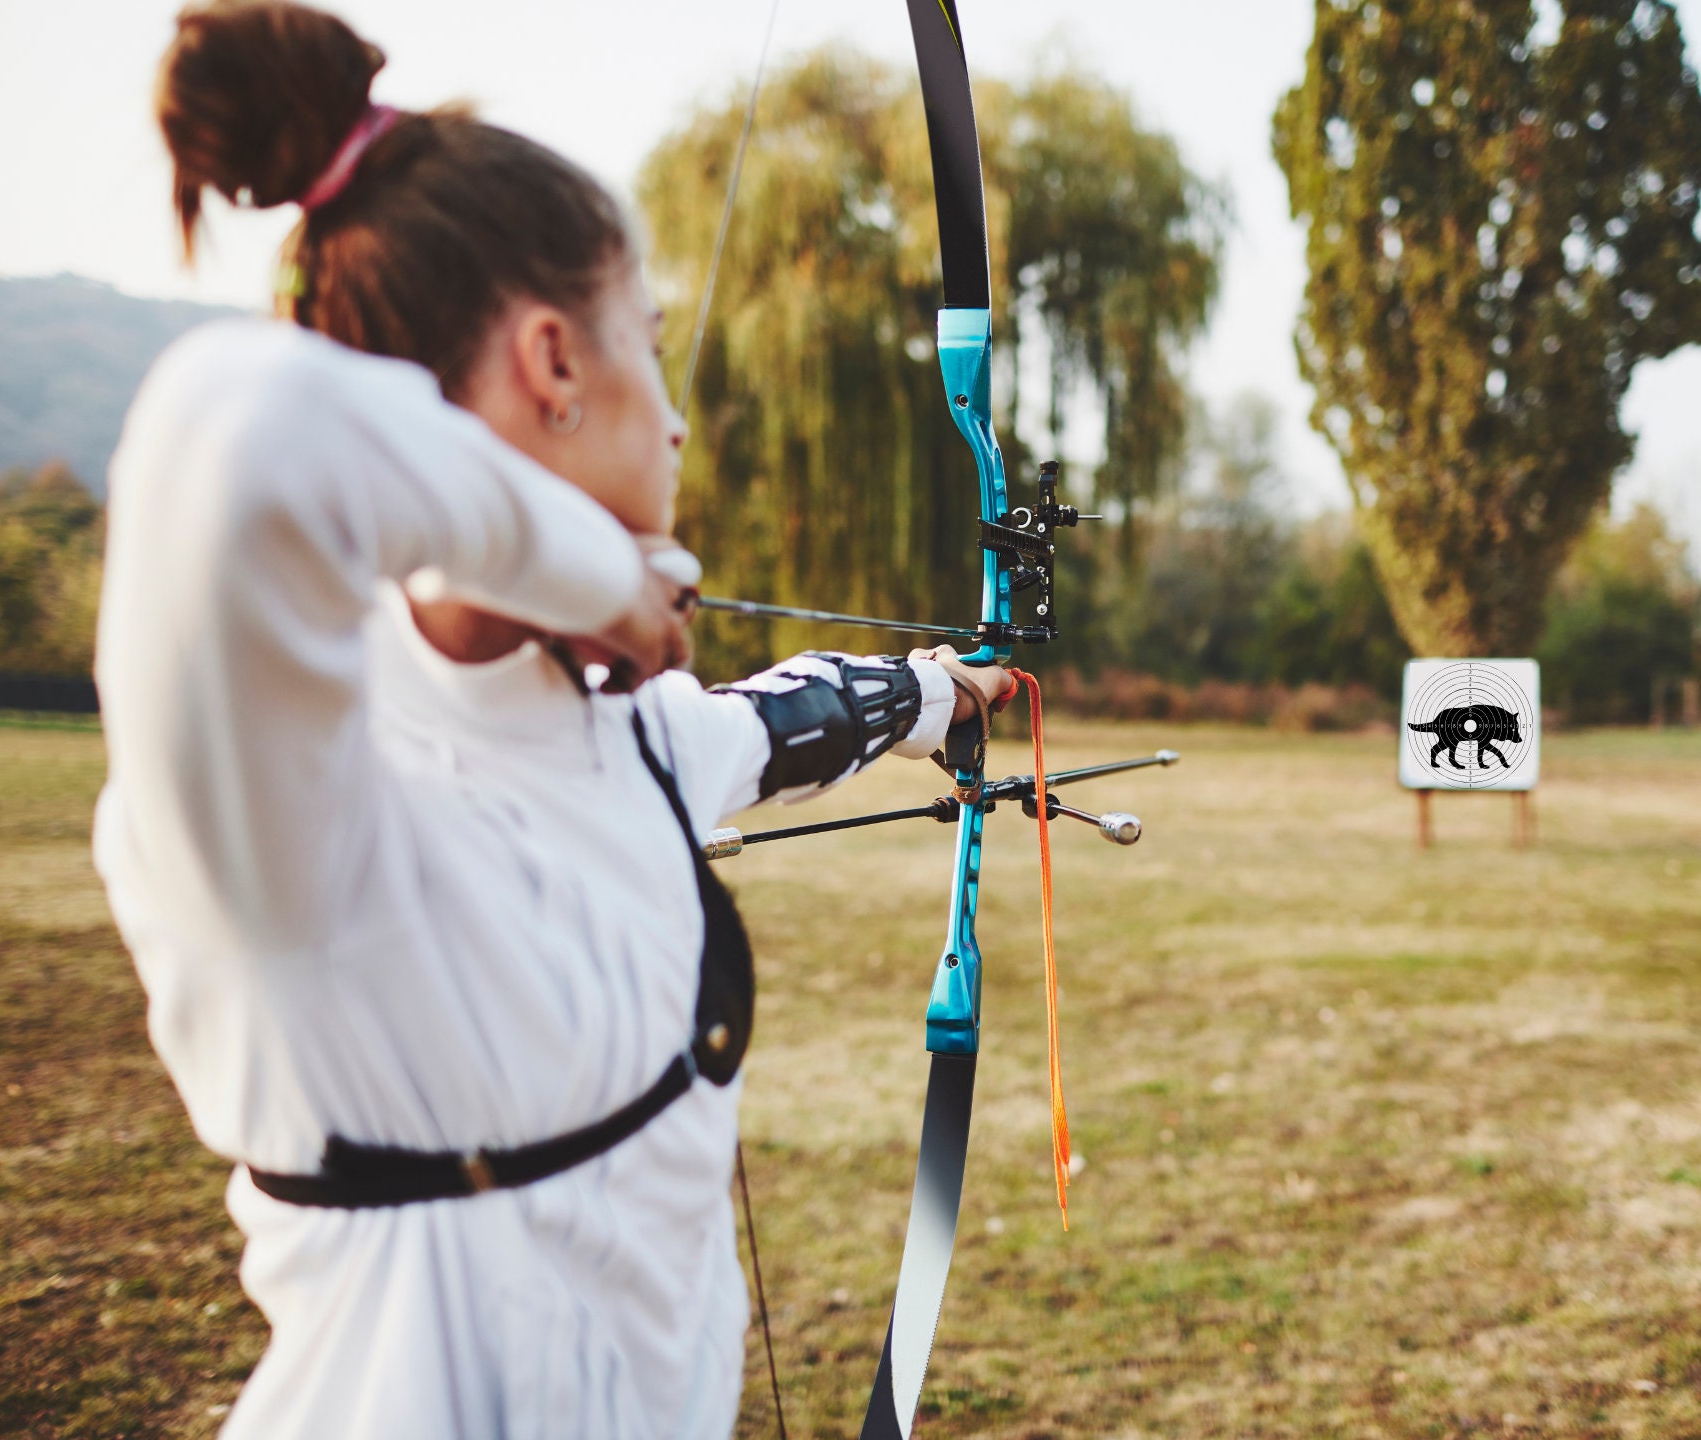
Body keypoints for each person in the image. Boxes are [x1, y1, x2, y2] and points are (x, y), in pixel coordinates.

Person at [92, 3, 1013, 1435]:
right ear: (551, 364)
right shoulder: (303, 797)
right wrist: (594, 574)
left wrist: (949, 686)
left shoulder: (628, 737)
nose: (681, 418)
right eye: (642, 340)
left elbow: (782, 722)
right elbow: (232, 434)